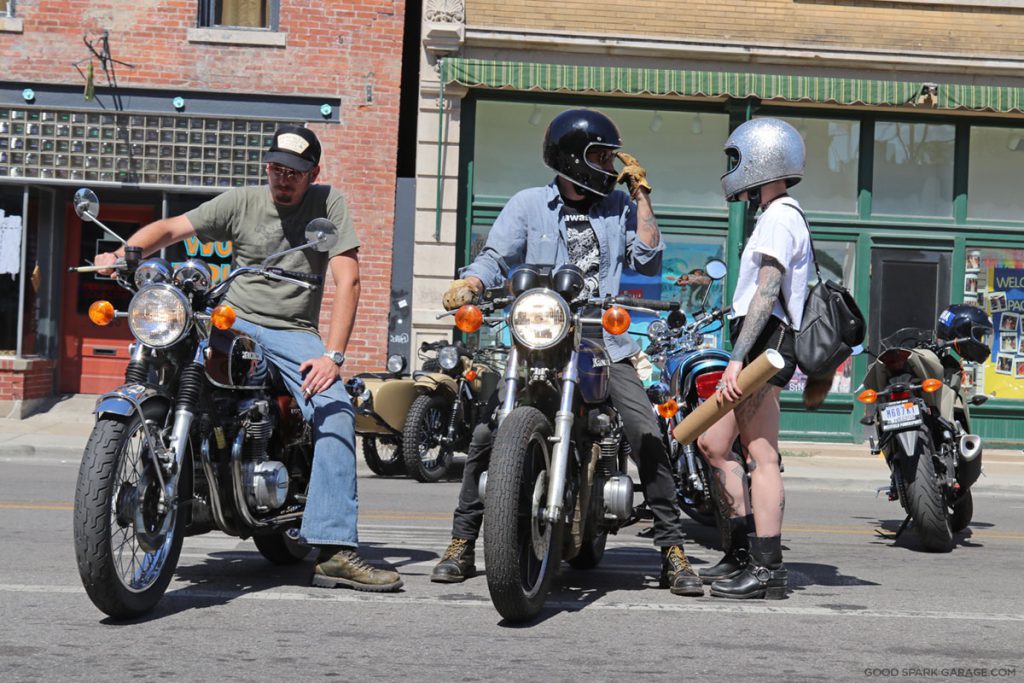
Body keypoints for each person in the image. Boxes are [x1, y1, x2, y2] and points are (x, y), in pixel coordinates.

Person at [94, 125, 402, 592]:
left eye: (294, 172)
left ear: (313, 173)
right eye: (277, 168)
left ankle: (335, 550)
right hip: (231, 317)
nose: (284, 179)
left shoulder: (328, 204)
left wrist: (333, 357)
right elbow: (173, 228)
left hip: (290, 330)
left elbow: (349, 280)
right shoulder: (242, 201)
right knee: (173, 354)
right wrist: (123, 252)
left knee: (335, 409)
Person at [432, 108, 704, 597]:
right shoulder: (528, 205)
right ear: (573, 158)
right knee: (485, 431)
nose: (609, 166)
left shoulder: (618, 204)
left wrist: (641, 195)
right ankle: (462, 542)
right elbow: (495, 257)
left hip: (601, 339)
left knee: (645, 431)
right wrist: (471, 283)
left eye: (610, 158)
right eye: (600, 157)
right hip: (538, 338)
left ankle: (671, 549)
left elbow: (648, 258)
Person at [696, 117, 811, 599]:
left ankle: (768, 570)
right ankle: (740, 553)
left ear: (763, 159)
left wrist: (738, 359)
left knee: (761, 455)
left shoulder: (781, 216)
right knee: (712, 444)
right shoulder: (772, 215)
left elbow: (767, 292)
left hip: (764, 343)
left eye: (738, 158)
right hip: (756, 341)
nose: (733, 168)